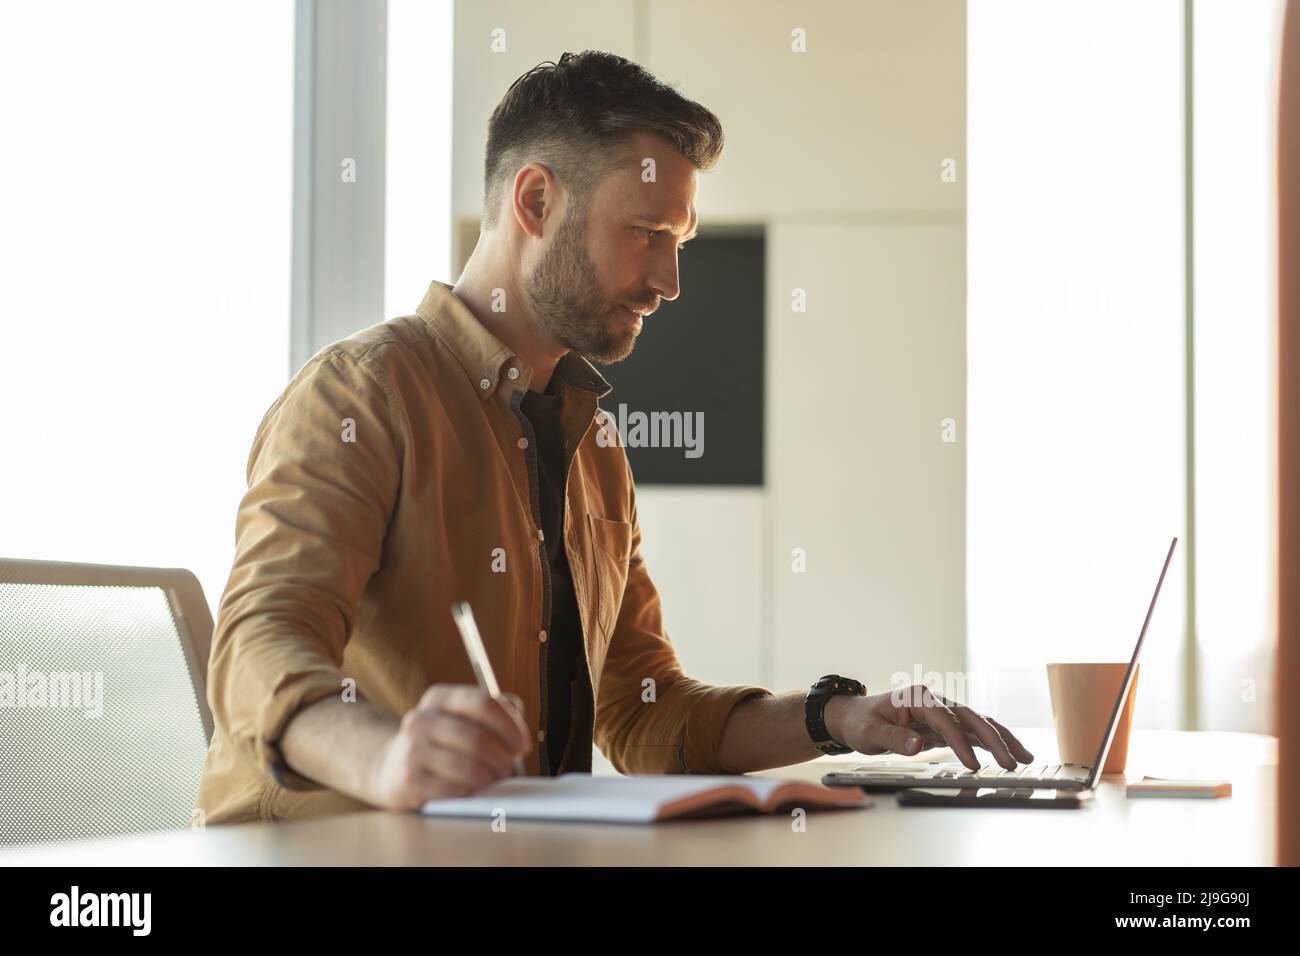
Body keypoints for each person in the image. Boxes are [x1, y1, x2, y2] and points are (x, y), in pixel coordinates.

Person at [195, 50, 1030, 825]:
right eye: (648, 235)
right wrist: (386, 760)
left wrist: (839, 716)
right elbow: (256, 645)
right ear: (535, 201)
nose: (669, 282)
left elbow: (642, 711)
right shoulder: (361, 394)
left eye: (680, 243)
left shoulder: (591, 445)